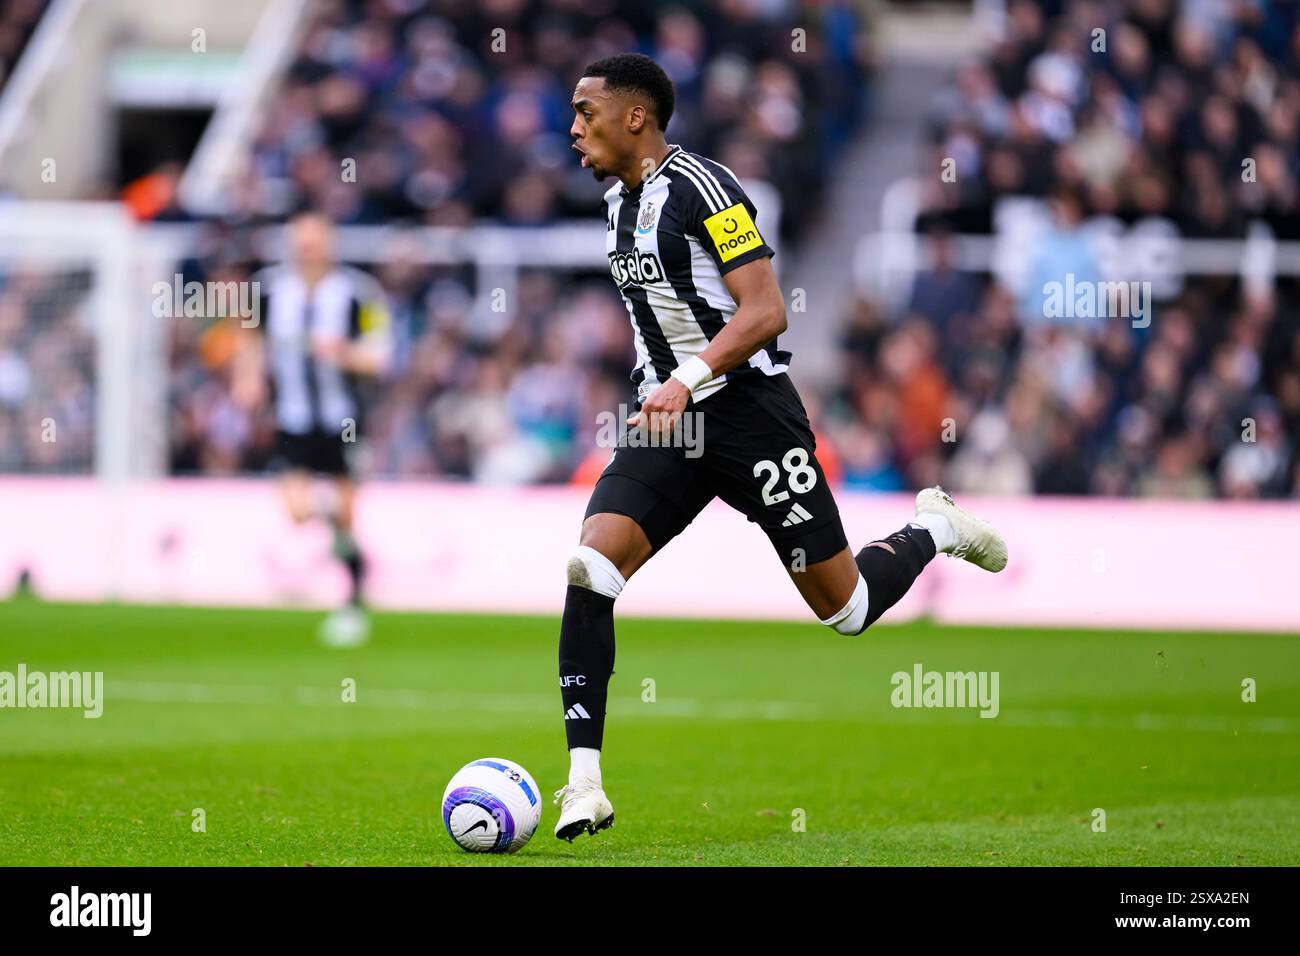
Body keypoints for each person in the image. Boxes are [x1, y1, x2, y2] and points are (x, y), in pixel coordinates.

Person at [553, 54, 1009, 841]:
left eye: (585, 112)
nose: (572, 129)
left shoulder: (707, 188)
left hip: (749, 416)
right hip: (673, 424)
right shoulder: (615, 204)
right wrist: (663, 387)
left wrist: (685, 377)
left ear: (635, 117)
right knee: (591, 566)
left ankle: (932, 527)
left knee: (849, 610)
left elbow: (765, 311)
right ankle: (583, 784)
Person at [234, 212, 392, 646]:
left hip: (343, 421)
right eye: (300, 244)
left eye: (314, 243)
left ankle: (353, 600)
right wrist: (246, 378)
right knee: (298, 511)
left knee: (346, 517)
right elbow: (247, 337)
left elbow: (380, 356)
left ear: (330, 245)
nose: (306, 251)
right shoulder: (267, 290)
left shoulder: (359, 293)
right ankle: (333, 526)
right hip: (292, 419)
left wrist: (342, 354)